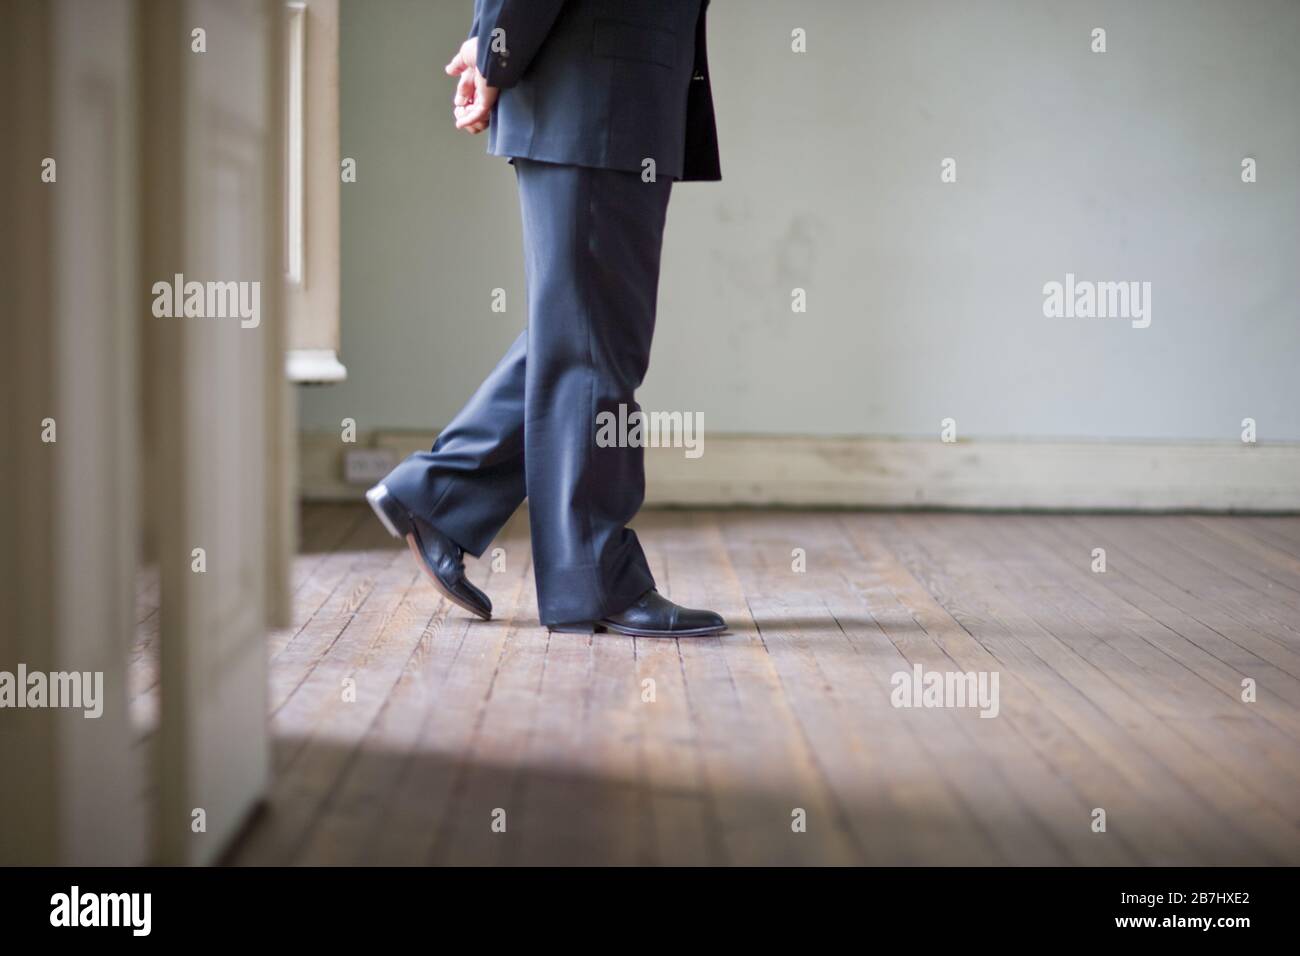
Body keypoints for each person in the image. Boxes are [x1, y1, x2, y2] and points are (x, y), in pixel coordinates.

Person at [366, 0, 725, 637]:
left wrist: (492, 45)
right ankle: (593, 577)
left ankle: (438, 498)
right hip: (596, 97)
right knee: (593, 345)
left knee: (585, 335)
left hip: (609, 95)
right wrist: (495, 46)